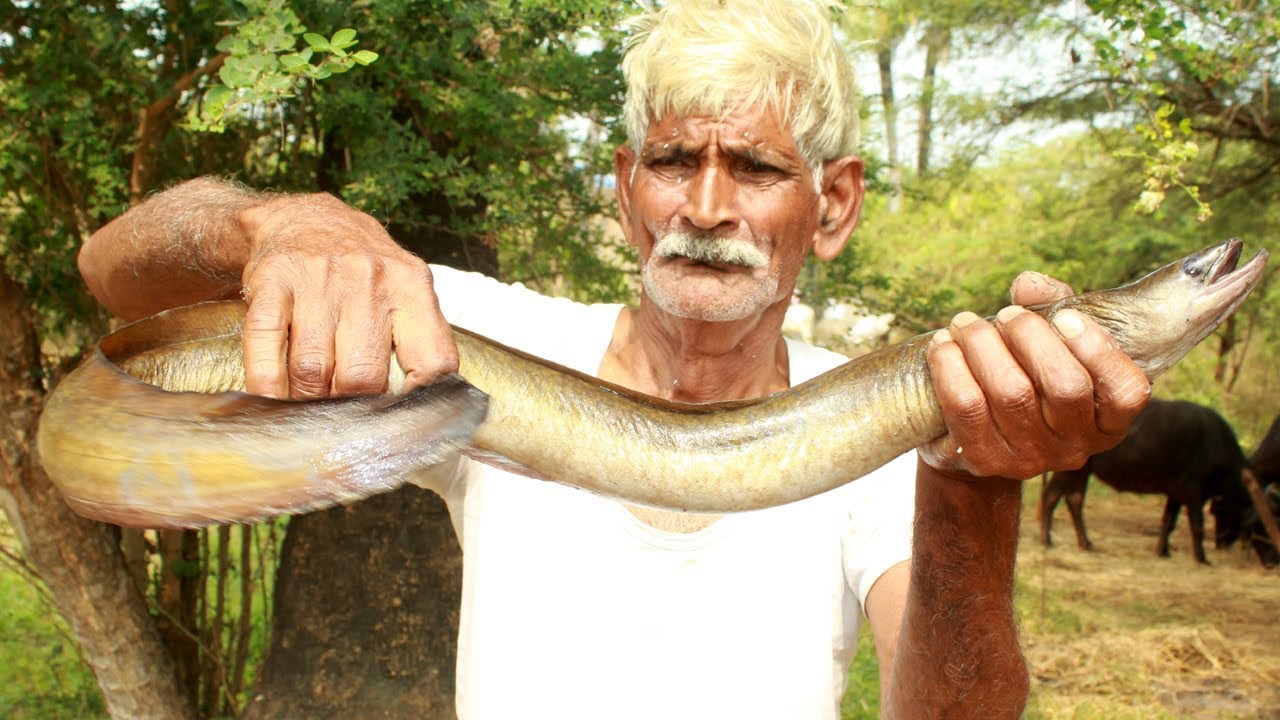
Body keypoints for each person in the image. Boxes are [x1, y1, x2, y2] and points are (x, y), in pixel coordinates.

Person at [78, 0, 1150, 717]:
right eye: (676, 160)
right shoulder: (475, 341)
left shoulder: (882, 421)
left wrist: (975, 479)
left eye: (760, 168)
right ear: (625, 192)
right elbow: (113, 274)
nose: (709, 206)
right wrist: (273, 226)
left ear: (831, 205)